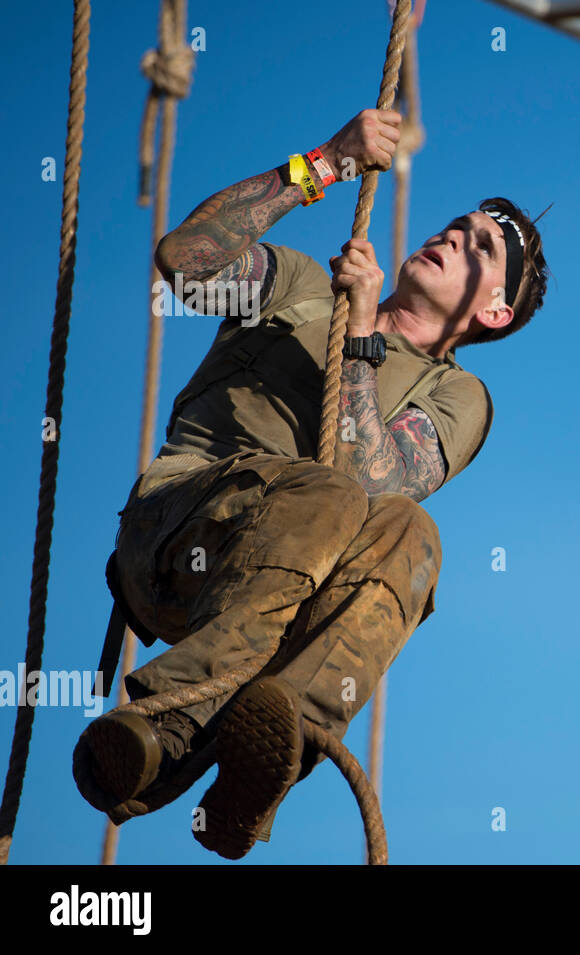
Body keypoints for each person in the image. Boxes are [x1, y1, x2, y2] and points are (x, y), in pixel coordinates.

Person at [72, 108, 550, 859]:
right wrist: (324, 163)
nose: (453, 235)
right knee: (327, 497)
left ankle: (269, 748)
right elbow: (184, 261)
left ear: (494, 310)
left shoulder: (459, 399)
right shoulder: (300, 286)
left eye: (480, 246)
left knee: (410, 533)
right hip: (180, 536)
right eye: (457, 225)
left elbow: (369, 475)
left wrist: (363, 333)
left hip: (288, 596)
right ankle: (169, 724)